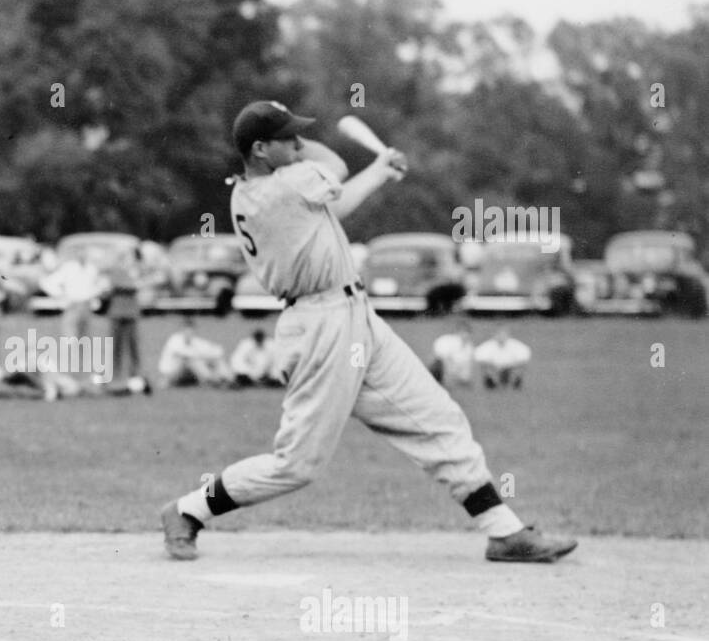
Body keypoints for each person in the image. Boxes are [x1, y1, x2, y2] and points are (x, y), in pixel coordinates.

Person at [159, 100, 576, 564]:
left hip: (352, 315)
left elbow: (337, 205)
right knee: (297, 465)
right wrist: (312, 148)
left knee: (438, 418)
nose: (299, 145)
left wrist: (377, 170)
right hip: (321, 325)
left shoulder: (270, 188)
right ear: (259, 149)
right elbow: (333, 164)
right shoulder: (282, 185)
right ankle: (186, 510)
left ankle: (504, 532)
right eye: (287, 138)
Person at [44, 248, 104, 340]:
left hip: (86, 305)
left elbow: (98, 285)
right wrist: (62, 296)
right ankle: (70, 353)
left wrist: (94, 295)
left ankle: (82, 354)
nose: (82, 256)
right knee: (70, 336)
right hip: (73, 305)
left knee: (85, 337)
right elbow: (49, 283)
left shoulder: (91, 268)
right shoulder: (69, 268)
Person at [105, 246, 144, 384]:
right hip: (117, 313)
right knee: (116, 346)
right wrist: (134, 283)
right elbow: (123, 285)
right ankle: (115, 374)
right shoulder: (116, 270)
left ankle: (135, 374)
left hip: (131, 313)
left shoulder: (136, 270)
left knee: (133, 346)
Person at [158, 317, 231, 388]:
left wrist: (211, 356)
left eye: (191, 330)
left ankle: (228, 378)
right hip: (170, 374)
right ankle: (214, 380)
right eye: (187, 330)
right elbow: (187, 354)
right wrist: (205, 355)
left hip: (187, 374)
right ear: (182, 330)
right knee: (191, 361)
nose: (189, 332)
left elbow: (218, 350)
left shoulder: (195, 341)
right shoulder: (174, 340)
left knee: (216, 360)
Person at [429, 320, 476, 388]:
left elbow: (468, 365)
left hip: (456, 373)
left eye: (467, 333)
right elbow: (442, 359)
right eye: (463, 332)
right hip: (442, 370)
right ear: (458, 332)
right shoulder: (447, 341)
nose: (465, 335)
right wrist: (447, 377)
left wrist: (465, 378)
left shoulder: (470, 348)